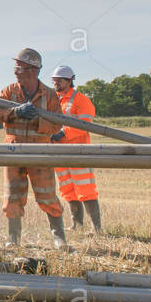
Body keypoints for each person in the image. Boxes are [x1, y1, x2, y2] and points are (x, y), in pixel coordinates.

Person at [0, 48, 70, 251]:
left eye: (20, 67)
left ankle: (59, 238)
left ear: (33, 70)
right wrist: (14, 112)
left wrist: (37, 120)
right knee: (12, 196)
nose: (15, 71)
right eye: (15, 67)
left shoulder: (49, 95)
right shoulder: (9, 91)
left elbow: (57, 125)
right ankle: (13, 238)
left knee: (47, 195)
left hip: (40, 153)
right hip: (14, 151)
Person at [51, 65, 102, 234]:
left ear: (70, 80)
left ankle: (97, 229)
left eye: (60, 80)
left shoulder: (81, 100)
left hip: (78, 151)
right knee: (68, 190)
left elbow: (84, 124)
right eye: (54, 80)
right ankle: (77, 226)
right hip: (59, 152)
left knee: (85, 190)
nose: (56, 83)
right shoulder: (53, 100)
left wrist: (63, 133)